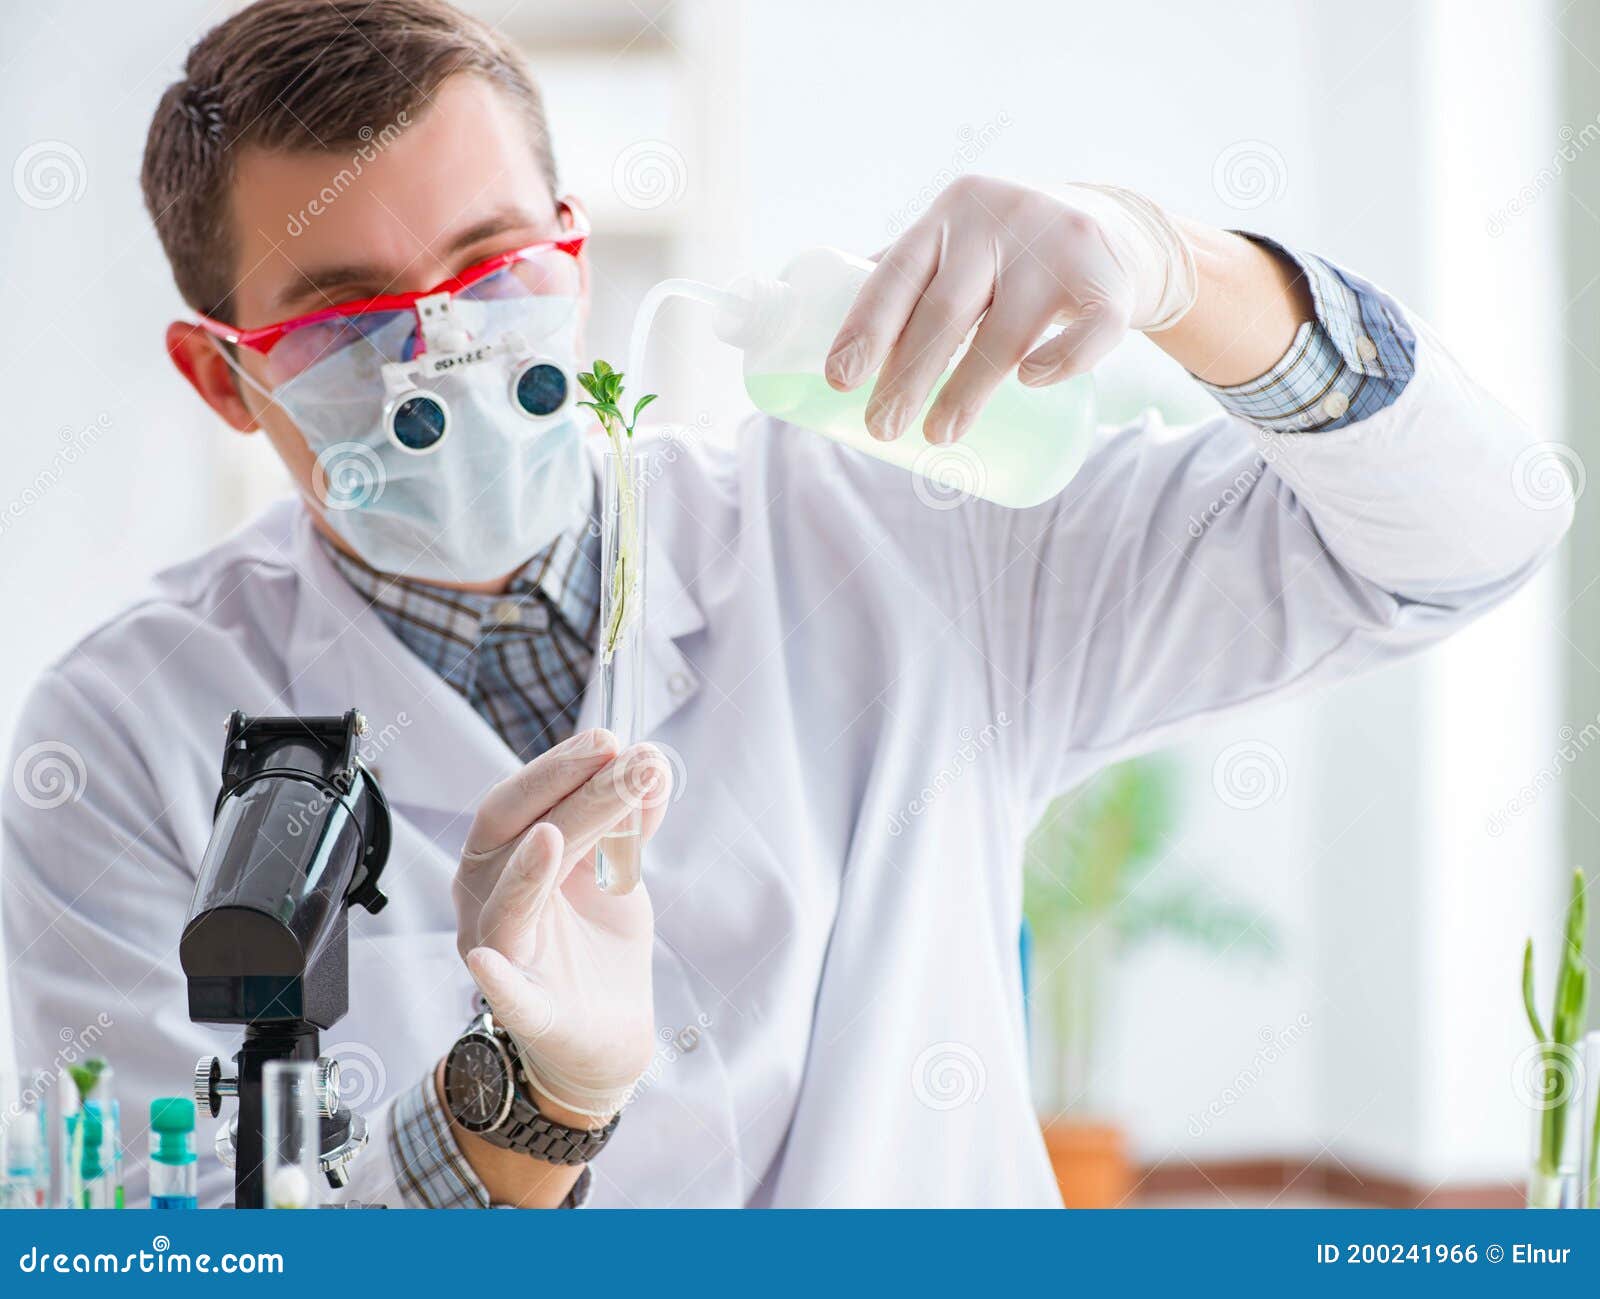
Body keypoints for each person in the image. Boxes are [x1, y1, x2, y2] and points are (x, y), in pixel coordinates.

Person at [0, 0, 1571, 1209]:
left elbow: (1466, 535)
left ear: (575, 258)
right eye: (349, 312)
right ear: (223, 376)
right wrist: (522, 1108)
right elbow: (193, 1250)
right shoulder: (129, 737)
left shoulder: (902, 537)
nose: (448, 356)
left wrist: (1180, 270)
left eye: (491, 267)